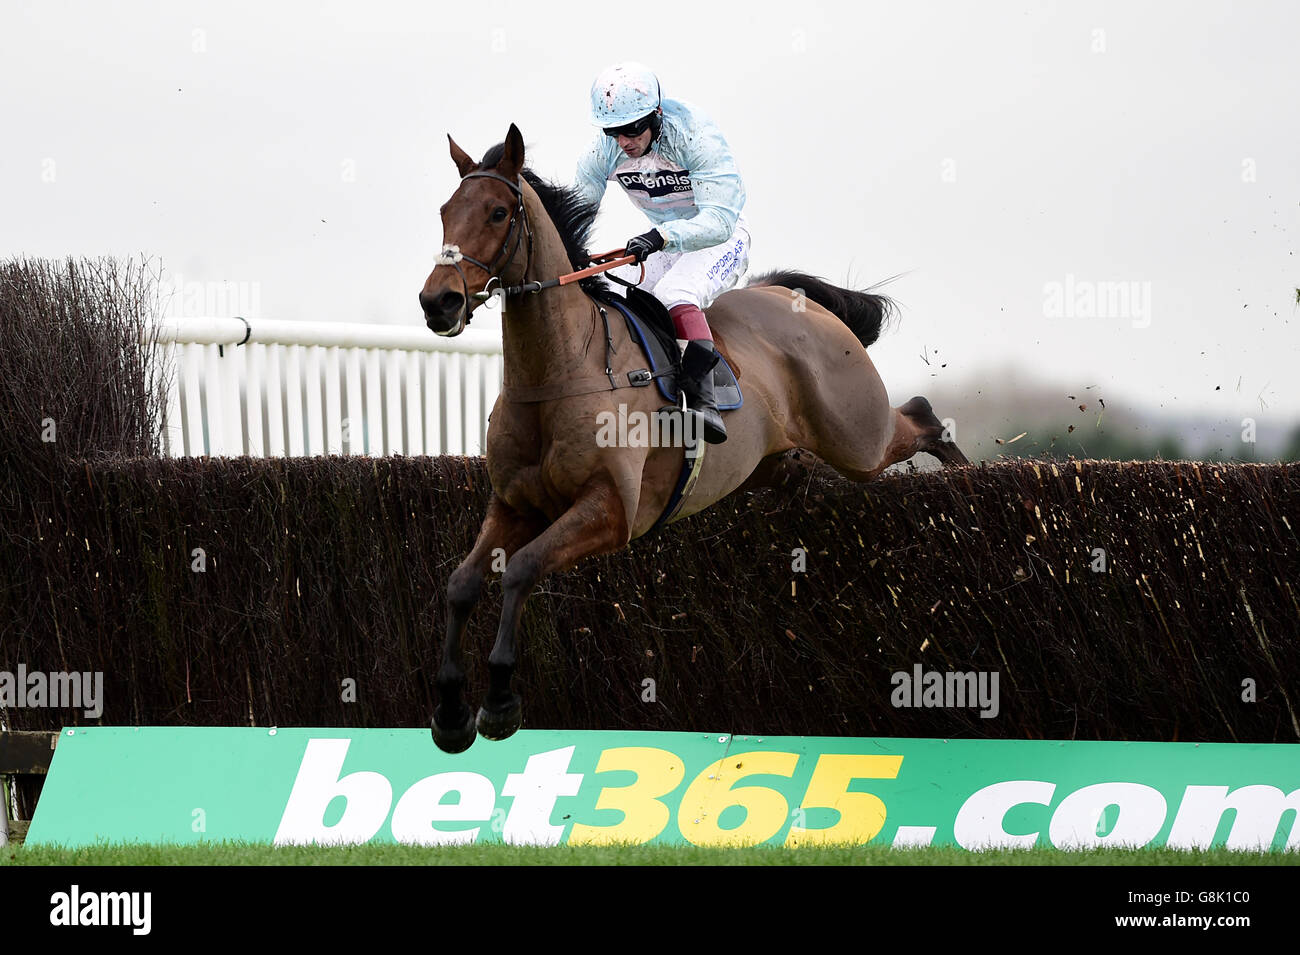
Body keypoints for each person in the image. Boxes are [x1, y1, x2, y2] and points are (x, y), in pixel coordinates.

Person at [574, 62, 751, 444]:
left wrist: (660, 236)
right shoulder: (604, 150)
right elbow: (577, 215)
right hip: (665, 241)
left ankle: (705, 401)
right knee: (623, 298)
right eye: (612, 131)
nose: (623, 140)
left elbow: (719, 222)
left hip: (719, 237)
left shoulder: (695, 137)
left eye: (632, 129)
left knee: (674, 294)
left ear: (655, 115)